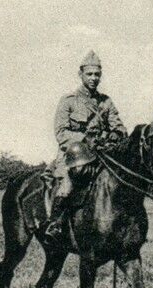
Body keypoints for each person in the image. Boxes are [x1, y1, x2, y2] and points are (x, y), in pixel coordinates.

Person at [45, 50, 125, 236]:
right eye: (89, 74)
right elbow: (61, 133)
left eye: (97, 74)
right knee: (67, 185)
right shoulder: (69, 101)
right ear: (80, 74)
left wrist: (115, 135)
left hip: (101, 156)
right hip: (73, 155)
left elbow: (119, 127)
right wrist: (85, 140)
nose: (93, 78)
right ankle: (55, 224)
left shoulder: (106, 102)